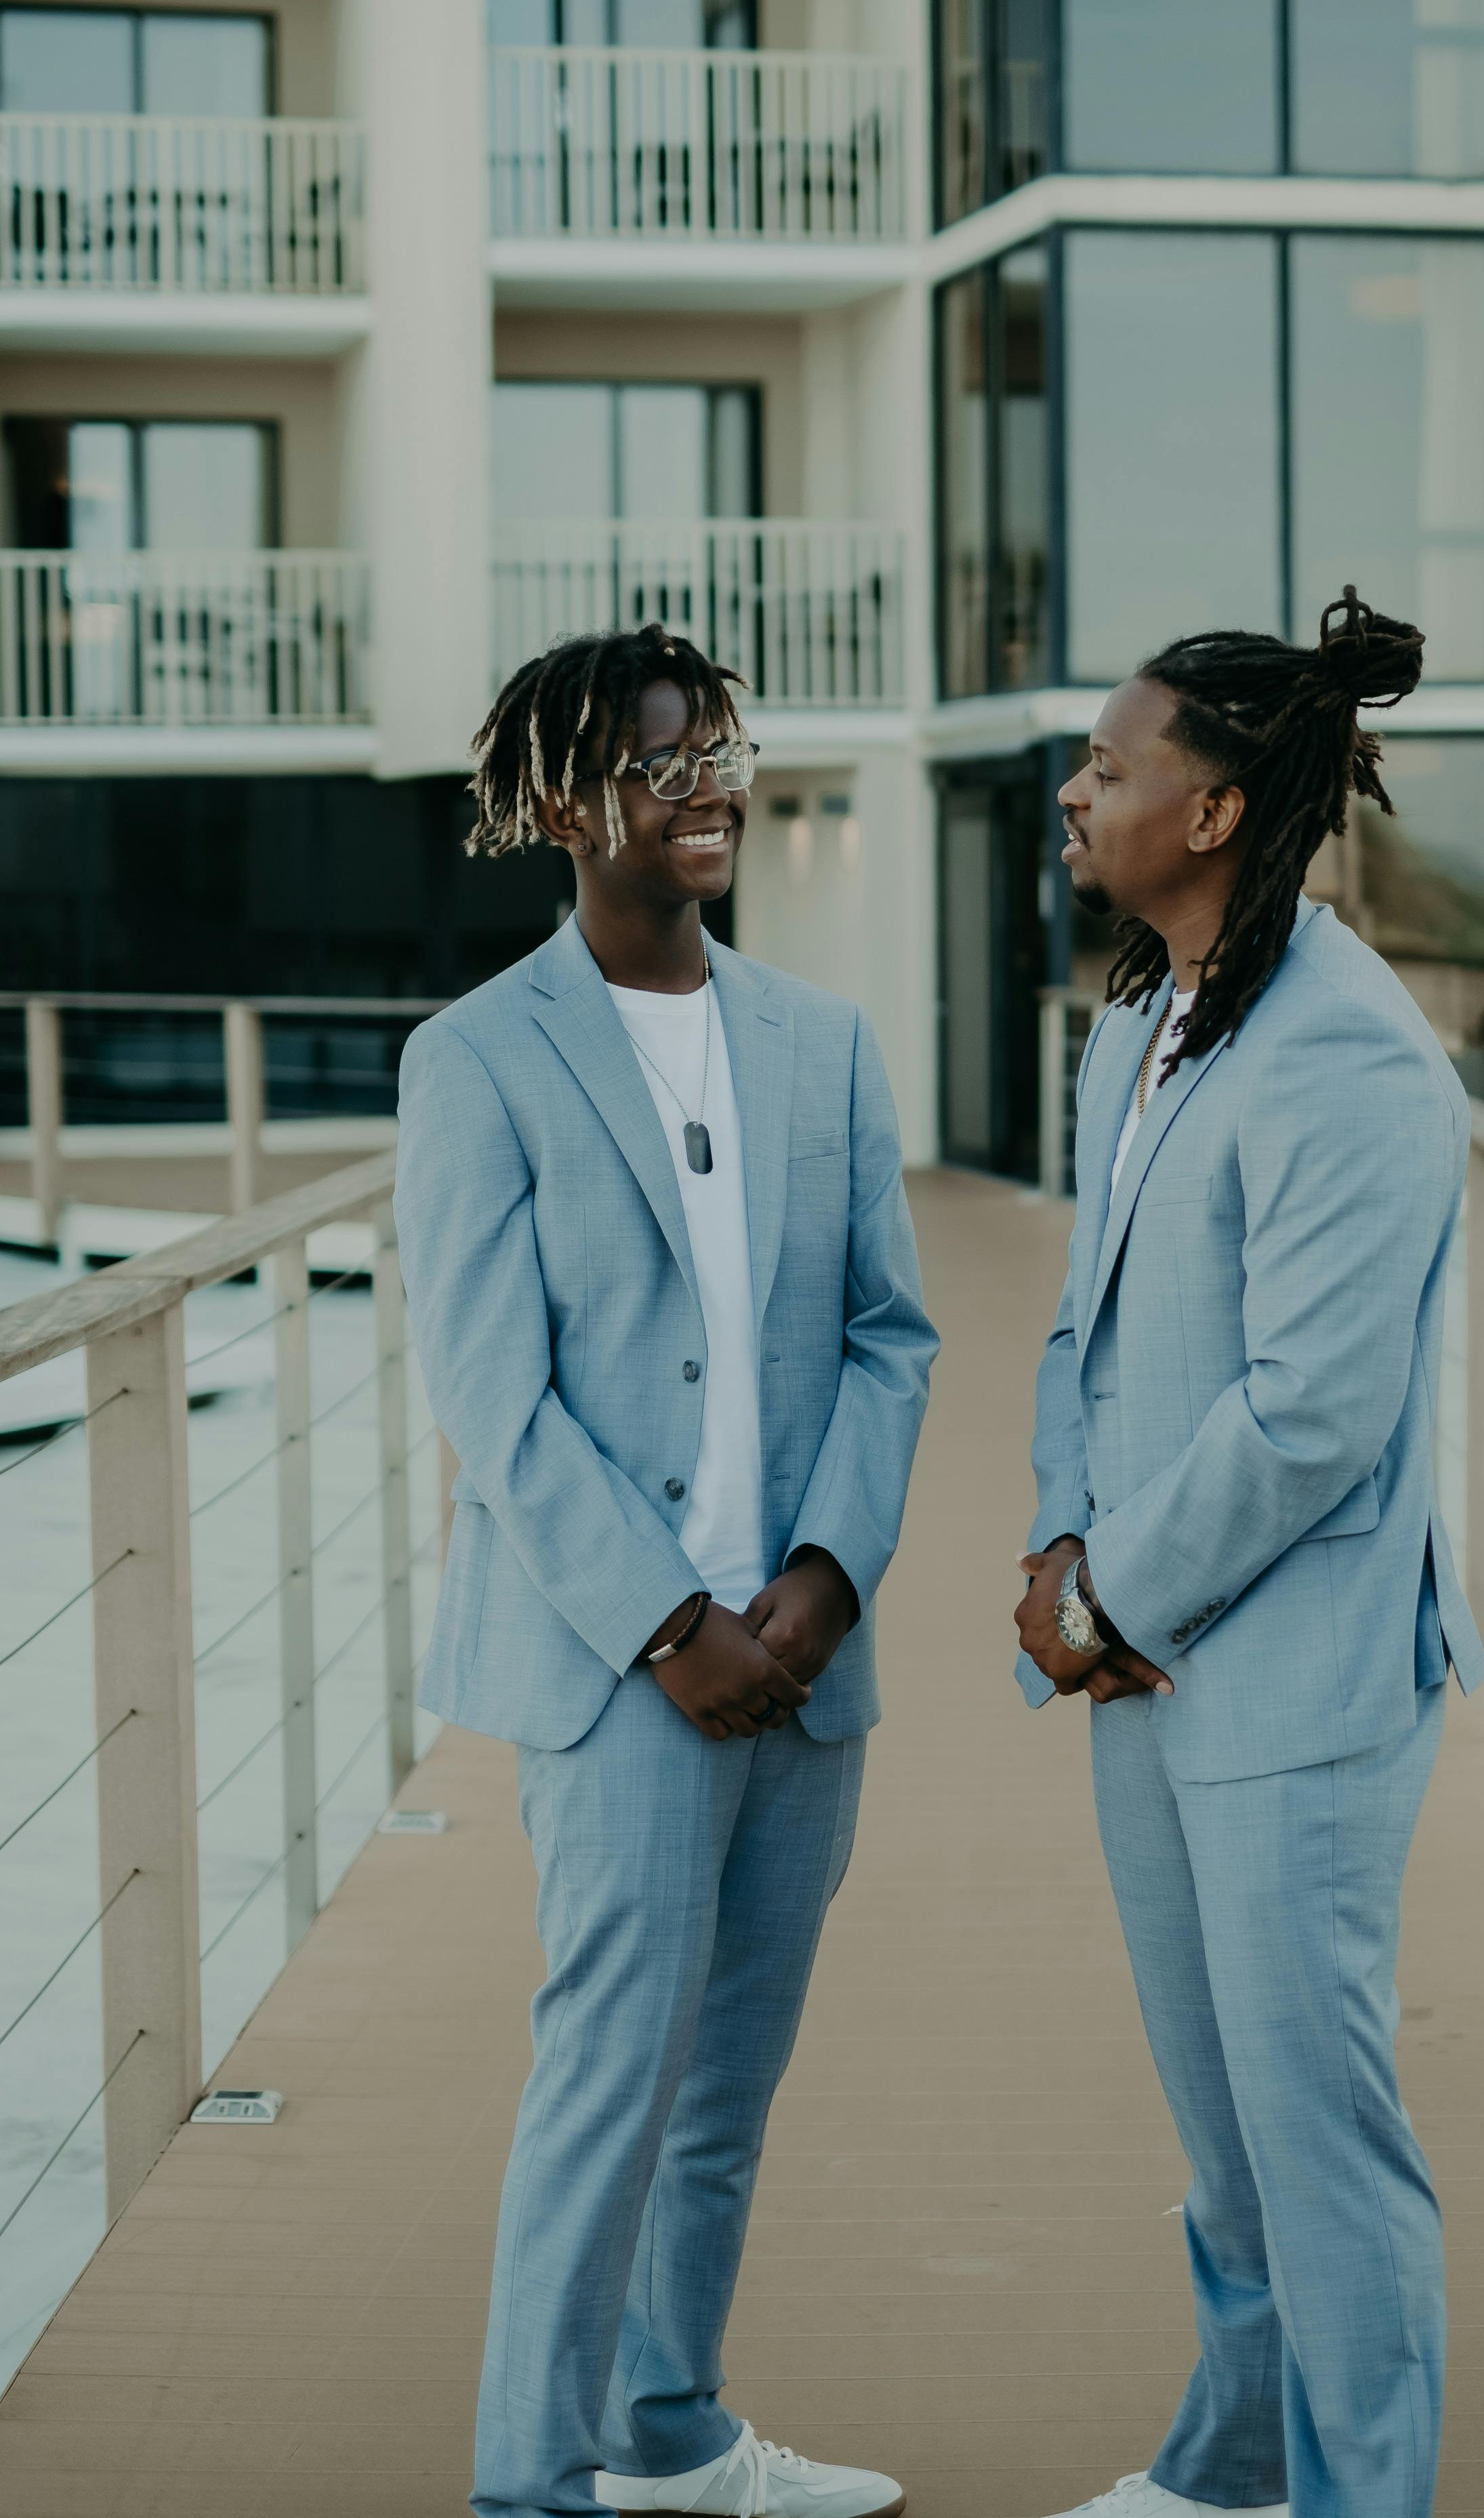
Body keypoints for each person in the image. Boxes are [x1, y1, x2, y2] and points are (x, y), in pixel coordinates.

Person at [396, 625, 936, 2518]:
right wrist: (666, 1620)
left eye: (721, 746)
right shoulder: (477, 1059)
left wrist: (823, 1575)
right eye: (661, 759)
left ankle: (675, 2437)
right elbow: (491, 1394)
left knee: (726, 2098)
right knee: (606, 2090)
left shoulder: (822, 1042)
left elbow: (890, 1334)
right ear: (565, 802)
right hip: (615, 1670)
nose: (708, 783)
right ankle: (528, 2485)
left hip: (805, 1663)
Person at [1014, 592, 1484, 2518]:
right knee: (1225, 2136)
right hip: (1142, 1656)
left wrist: (1106, 1595)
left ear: (1209, 813)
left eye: (1113, 769)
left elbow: (1312, 1411)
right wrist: (1064, 1545)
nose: (1076, 790)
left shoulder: (1349, 1055)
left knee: (1321, 2136)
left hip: (1287, 1680)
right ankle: (1228, 2468)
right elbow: (1087, 1332)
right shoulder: (1139, 1017)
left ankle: (1360, 2494)